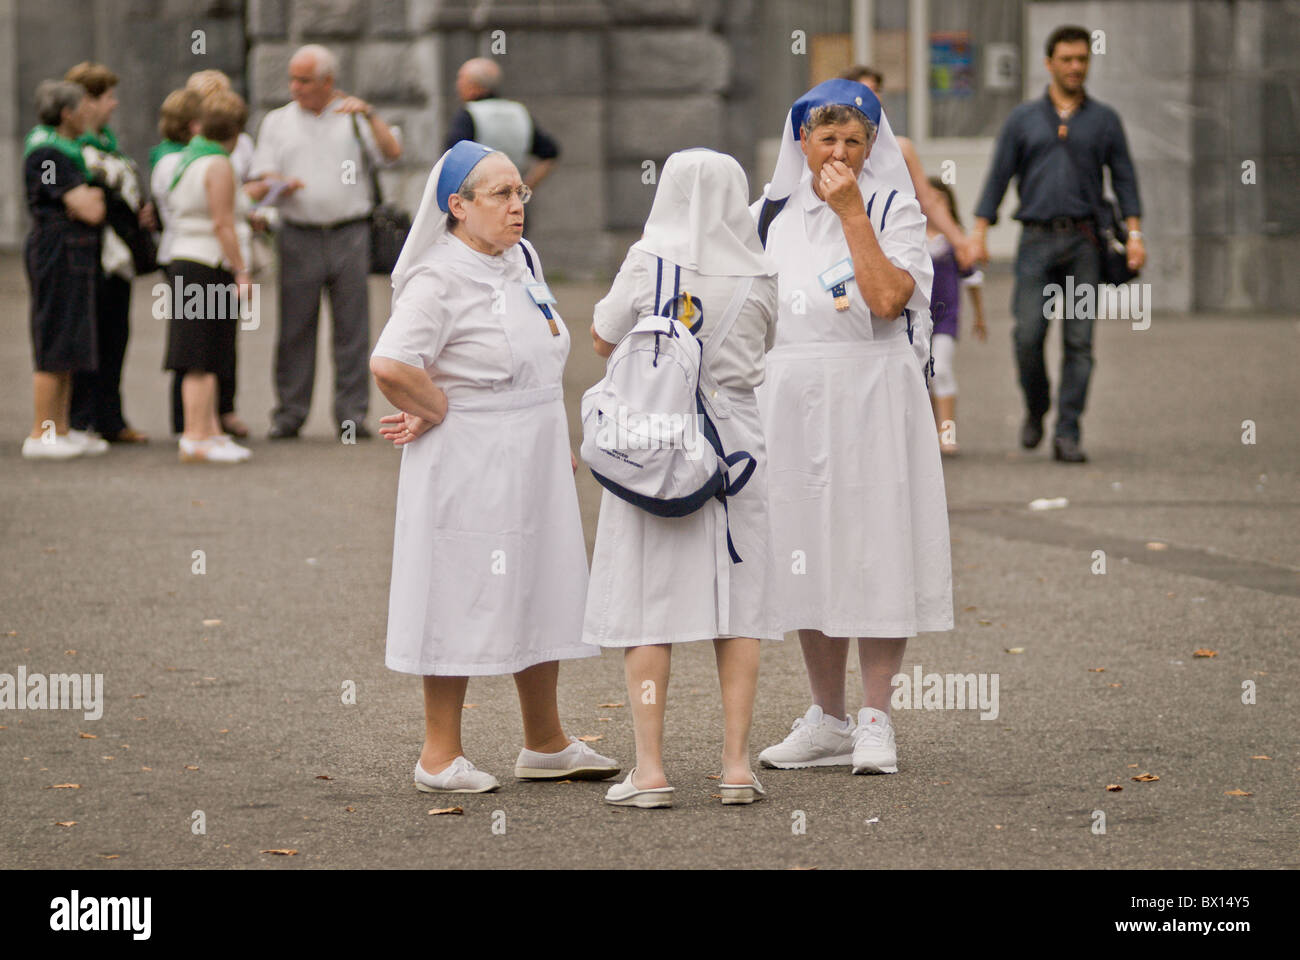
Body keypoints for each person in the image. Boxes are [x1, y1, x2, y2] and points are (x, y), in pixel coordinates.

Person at [369, 140, 619, 794]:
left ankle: (544, 741)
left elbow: (535, 355)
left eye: (520, 193)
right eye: (500, 195)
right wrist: (438, 404)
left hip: (529, 450)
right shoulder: (437, 277)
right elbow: (392, 364)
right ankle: (437, 756)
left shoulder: (522, 258)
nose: (517, 206)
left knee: (538, 585)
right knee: (459, 589)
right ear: (456, 206)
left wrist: (546, 430)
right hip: (468, 461)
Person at [752, 79, 953, 776]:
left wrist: (851, 216)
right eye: (826, 138)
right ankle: (827, 716)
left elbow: (891, 299)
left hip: (871, 389)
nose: (838, 152)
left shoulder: (893, 206)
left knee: (876, 546)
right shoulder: (768, 212)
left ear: (873, 146)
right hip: (792, 394)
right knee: (806, 548)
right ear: (801, 140)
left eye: (853, 140)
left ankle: (876, 718)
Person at [584, 149, 780, 809]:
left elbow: (603, 338)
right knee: (740, 609)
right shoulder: (761, 274)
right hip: (737, 448)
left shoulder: (647, 263)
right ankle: (734, 765)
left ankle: (650, 770)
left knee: (648, 607)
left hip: (658, 442)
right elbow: (762, 350)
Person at [971, 25, 1145, 463]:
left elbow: (1124, 179)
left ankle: (1068, 431)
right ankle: (1037, 406)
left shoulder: (1104, 120)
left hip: (1084, 244)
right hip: (1035, 242)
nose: (1074, 67)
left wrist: (1136, 235)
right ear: (1049, 63)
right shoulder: (1023, 119)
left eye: (1082, 59)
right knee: (1027, 335)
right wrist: (978, 232)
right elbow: (998, 177)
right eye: (1066, 59)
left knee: (1080, 343)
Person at [250, 44, 402, 440]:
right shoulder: (277, 122)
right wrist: (277, 185)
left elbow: (391, 154)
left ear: (328, 82)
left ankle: (351, 415)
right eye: (292, 79)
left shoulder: (352, 118)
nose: (294, 87)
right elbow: (262, 175)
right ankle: (289, 414)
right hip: (297, 232)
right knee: (295, 329)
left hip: (350, 232)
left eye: (304, 80)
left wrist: (370, 114)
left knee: (353, 330)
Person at [163, 91, 254, 464]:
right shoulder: (218, 163)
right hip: (204, 262)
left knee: (211, 353)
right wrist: (241, 270)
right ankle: (196, 435)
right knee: (199, 356)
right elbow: (222, 222)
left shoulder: (187, 156)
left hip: (188, 258)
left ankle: (211, 430)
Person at [64, 61, 152, 446]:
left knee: (116, 336)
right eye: (107, 97)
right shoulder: (71, 148)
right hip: (90, 257)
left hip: (119, 259)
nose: (114, 104)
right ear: (87, 101)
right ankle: (80, 420)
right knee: (89, 339)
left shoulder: (108, 145)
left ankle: (110, 418)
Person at [21, 80, 107, 460]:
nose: (92, 112)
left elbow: (88, 201)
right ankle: (43, 431)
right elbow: (86, 206)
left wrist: (89, 197)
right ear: (67, 113)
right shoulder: (48, 156)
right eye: (84, 106)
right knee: (54, 336)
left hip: (74, 250)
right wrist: (87, 198)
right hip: (57, 250)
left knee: (71, 338)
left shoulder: (65, 152)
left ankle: (62, 427)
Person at [842, 65, 976, 270]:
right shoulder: (835, 149)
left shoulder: (901, 148)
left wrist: (961, 242)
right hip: (848, 242)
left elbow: (928, 200)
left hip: (895, 242)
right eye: (865, 90)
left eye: (877, 90)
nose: (874, 96)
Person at [926, 176, 986, 455]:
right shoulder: (907, 235)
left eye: (941, 200)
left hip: (945, 319)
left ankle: (946, 434)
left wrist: (980, 317)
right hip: (914, 321)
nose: (934, 206)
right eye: (929, 199)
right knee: (918, 376)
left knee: (942, 371)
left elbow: (973, 280)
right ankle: (924, 435)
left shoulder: (954, 241)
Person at [445, 58, 559, 193]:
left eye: (461, 80)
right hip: (512, 202)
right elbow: (550, 152)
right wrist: (523, 188)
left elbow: (453, 160)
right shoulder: (519, 113)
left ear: (475, 87)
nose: (457, 85)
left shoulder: (469, 114)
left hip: (478, 202)